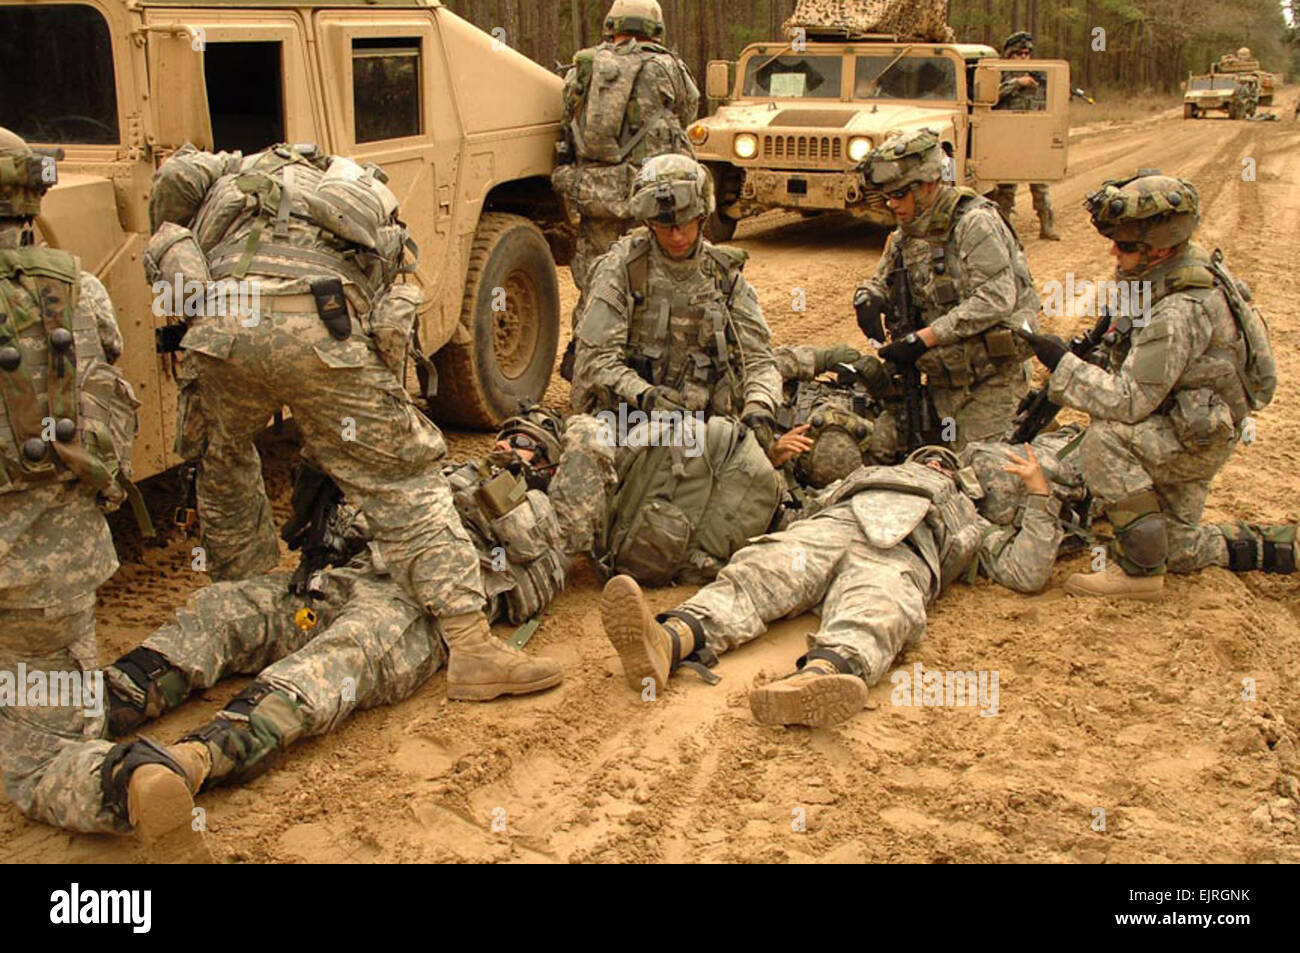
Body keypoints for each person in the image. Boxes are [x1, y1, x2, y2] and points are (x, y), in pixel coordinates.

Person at [146, 143, 560, 702]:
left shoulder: (230, 170)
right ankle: (471, 647)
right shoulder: (364, 194)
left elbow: (172, 183)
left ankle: (251, 615)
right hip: (321, 327)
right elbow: (393, 314)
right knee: (403, 483)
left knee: (224, 466)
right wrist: (372, 418)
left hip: (220, 329)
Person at [101, 412, 576, 862]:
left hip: (413, 609)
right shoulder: (444, 477)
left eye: (525, 443)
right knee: (226, 609)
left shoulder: (540, 509)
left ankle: (196, 758)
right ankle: (115, 695)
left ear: (546, 466)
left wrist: (491, 485)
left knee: (332, 662)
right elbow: (367, 519)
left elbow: (527, 548)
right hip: (347, 578)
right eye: (505, 435)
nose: (506, 444)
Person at [599, 444, 1064, 727]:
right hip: (830, 530)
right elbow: (793, 512)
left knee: (879, 607)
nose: (937, 464)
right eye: (927, 458)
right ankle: (669, 639)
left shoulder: (969, 515)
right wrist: (775, 464)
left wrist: (1040, 495)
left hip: (902, 554)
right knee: (762, 569)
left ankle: (817, 679)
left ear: (960, 480)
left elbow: (1025, 572)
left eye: (946, 464)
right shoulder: (859, 479)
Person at [0, 126, 167, 851]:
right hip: (46, 569)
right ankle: (127, 785)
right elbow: (108, 410)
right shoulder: (77, 290)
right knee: (46, 751)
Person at [1017, 170, 1277, 599]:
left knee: (1104, 442)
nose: (1114, 253)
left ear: (1159, 248)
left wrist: (1062, 364)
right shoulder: (1175, 273)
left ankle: (1138, 574)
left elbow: (1129, 401)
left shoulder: (1179, 308)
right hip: (1197, 423)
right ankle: (1283, 547)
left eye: (1124, 246)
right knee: (1178, 548)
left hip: (1192, 435)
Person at [572, 153, 783, 451]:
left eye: (684, 222)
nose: (676, 235)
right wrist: (645, 394)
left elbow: (759, 361)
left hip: (703, 427)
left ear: (701, 216)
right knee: (586, 444)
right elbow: (594, 361)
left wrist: (759, 407)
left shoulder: (723, 276)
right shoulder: (622, 268)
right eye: (663, 225)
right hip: (628, 420)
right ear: (649, 223)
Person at [854, 128, 1038, 456]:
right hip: (945, 380)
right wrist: (868, 297)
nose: (892, 204)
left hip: (991, 380)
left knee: (979, 465)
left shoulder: (975, 223)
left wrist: (924, 338)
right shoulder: (907, 234)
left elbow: (995, 299)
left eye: (900, 194)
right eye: (887, 196)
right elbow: (883, 277)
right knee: (927, 456)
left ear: (928, 183)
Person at [553, 0, 699, 379]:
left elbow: (566, 113)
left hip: (593, 194)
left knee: (596, 279)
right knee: (649, 281)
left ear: (611, 25)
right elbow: (689, 111)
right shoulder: (667, 67)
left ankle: (586, 362)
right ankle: (640, 370)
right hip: (648, 199)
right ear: (655, 28)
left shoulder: (583, 67)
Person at [986, 32, 1061, 241]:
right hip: (1007, 136)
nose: (1024, 57)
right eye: (1019, 54)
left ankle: (1047, 226)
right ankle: (1004, 230)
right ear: (1009, 55)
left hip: (1033, 135)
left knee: (1040, 184)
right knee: (1006, 188)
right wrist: (1018, 82)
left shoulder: (1037, 75)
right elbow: (990, 96)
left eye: (1027, 53)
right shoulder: (999, 74)